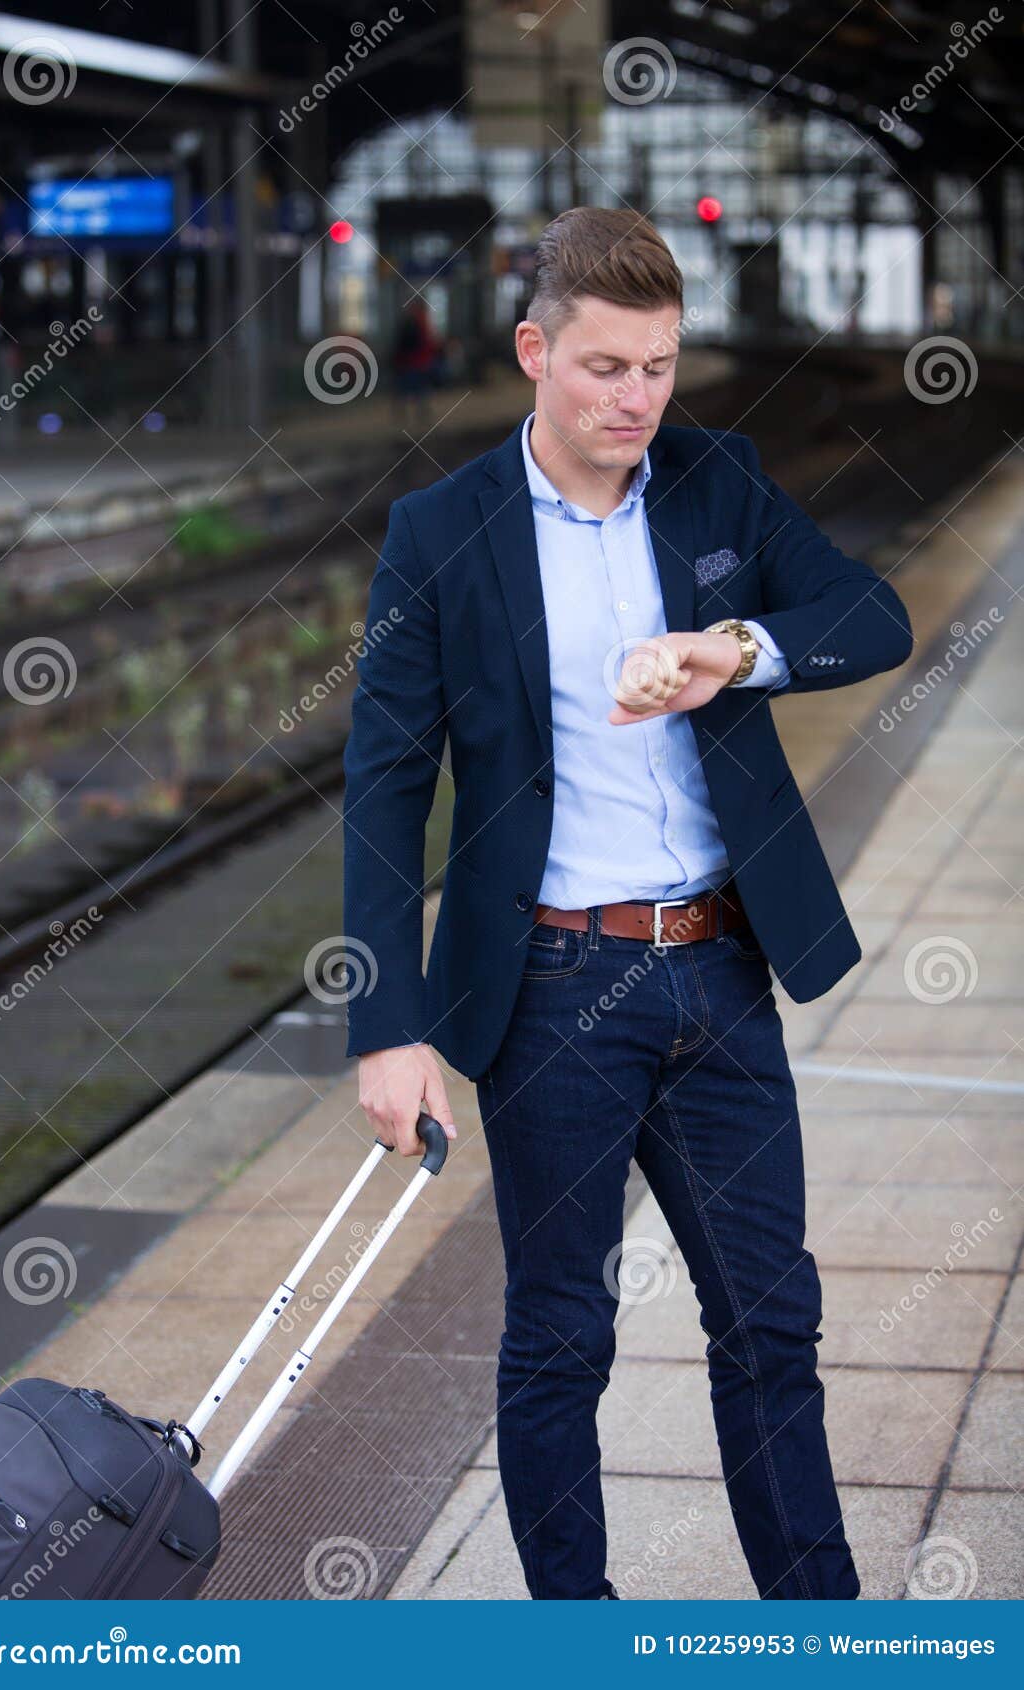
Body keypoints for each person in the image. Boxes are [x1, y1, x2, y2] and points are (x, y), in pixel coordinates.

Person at [342, 206, 914, 1601]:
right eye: (602, 366)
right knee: (557, 1336)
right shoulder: (440, 533)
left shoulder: (715, 482)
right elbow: (380, 787)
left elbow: (874, 616)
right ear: (536, 350)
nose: (632, 399)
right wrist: (386, 1026)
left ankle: (815, 1621)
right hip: (546, 992)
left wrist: (736, 647)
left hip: (717, 969)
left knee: (771, 1319)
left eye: (654, 367)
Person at [390, 296, 442, 431]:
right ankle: (418, 418)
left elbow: (403, 345)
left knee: (409, 392)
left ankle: (407, 418)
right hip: (417, 363)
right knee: (419, 392)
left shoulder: (415, 322)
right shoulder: (421, 323)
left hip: (413, 363)